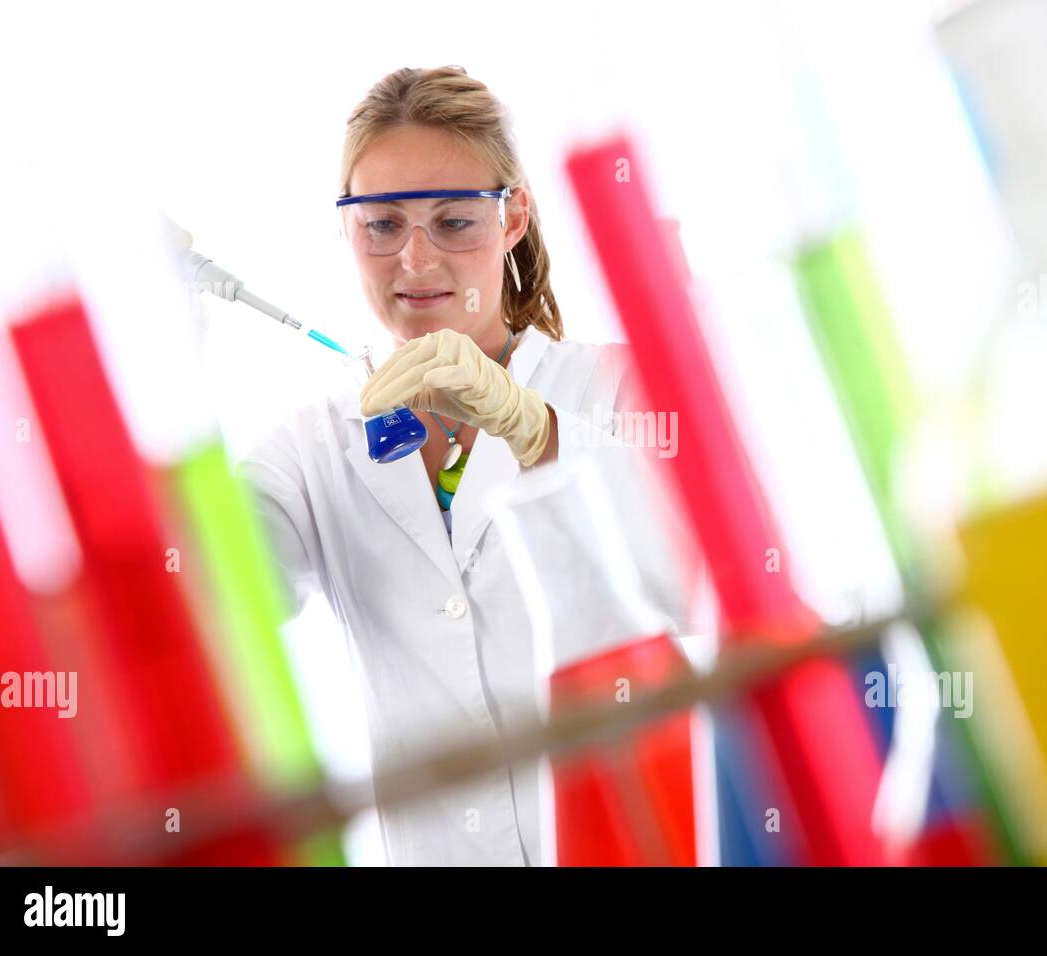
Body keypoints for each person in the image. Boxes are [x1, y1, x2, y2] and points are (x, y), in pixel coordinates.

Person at [236, 65, 700, 865]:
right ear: (344, 230)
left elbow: (694, 587)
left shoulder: (619, 386)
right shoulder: (309, 451)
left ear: (514, 214)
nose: (416, 261)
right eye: (381, 224)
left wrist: (538, 434)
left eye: (454, 221)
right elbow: (220, 606)